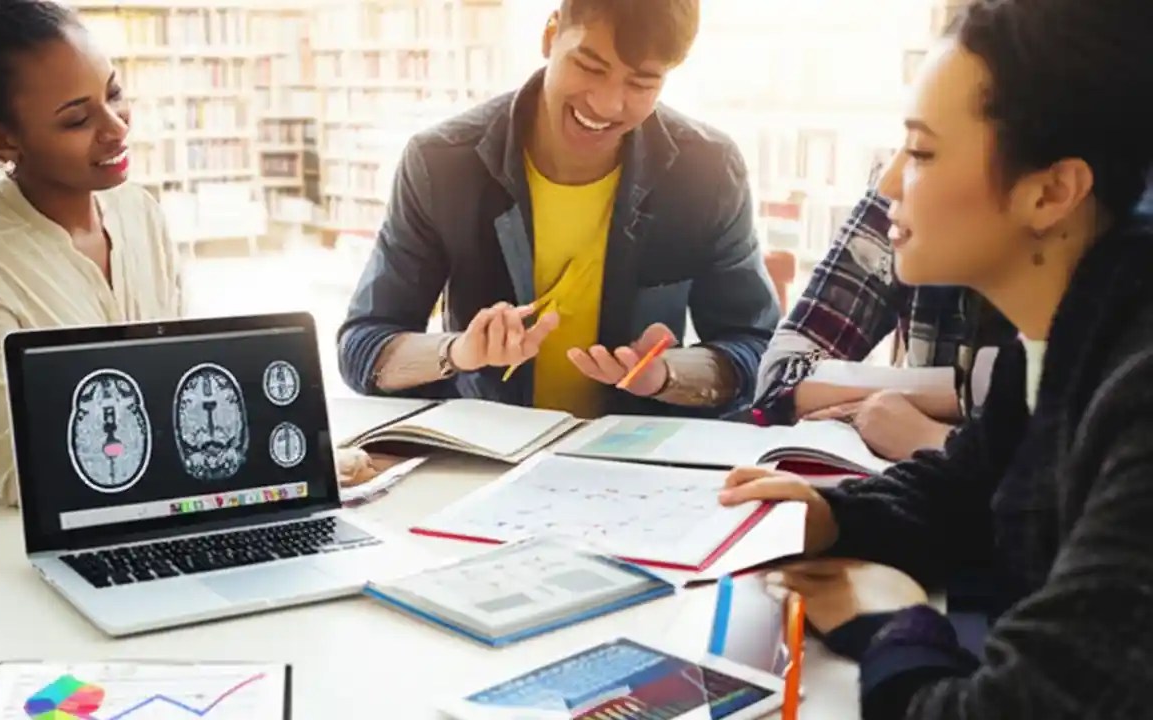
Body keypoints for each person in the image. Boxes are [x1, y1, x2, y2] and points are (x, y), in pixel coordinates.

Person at [720, 0, 1153, 717]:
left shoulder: (1137, 393)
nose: (889, 182)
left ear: (1051, 191)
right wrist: (831, 516)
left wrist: (899, 623)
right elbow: (964, 491)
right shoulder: (1051, 345)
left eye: (920, 153)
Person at [337, 0, 780, 421]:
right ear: (551, 35)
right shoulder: (442, 163)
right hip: (487, 466)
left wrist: (666, 375)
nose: (608, 104)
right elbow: (362, 349)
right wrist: (458, 352)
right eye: (589, 66)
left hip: (636, 470)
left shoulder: (707, 170)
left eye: (641, 83)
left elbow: (758, 349)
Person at [0, 0, 183, 533]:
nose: (116, 128)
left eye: (114, 93)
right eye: (77, 118)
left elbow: (176, 381)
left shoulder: (139, 211)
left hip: (128, 513)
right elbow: (26, 477)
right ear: (2, 140)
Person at [753, 183, 1018, 461]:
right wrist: (880, 409)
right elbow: (782, 379)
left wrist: (927, 437)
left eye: (922, 151)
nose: (889, 175)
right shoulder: (899, 194)